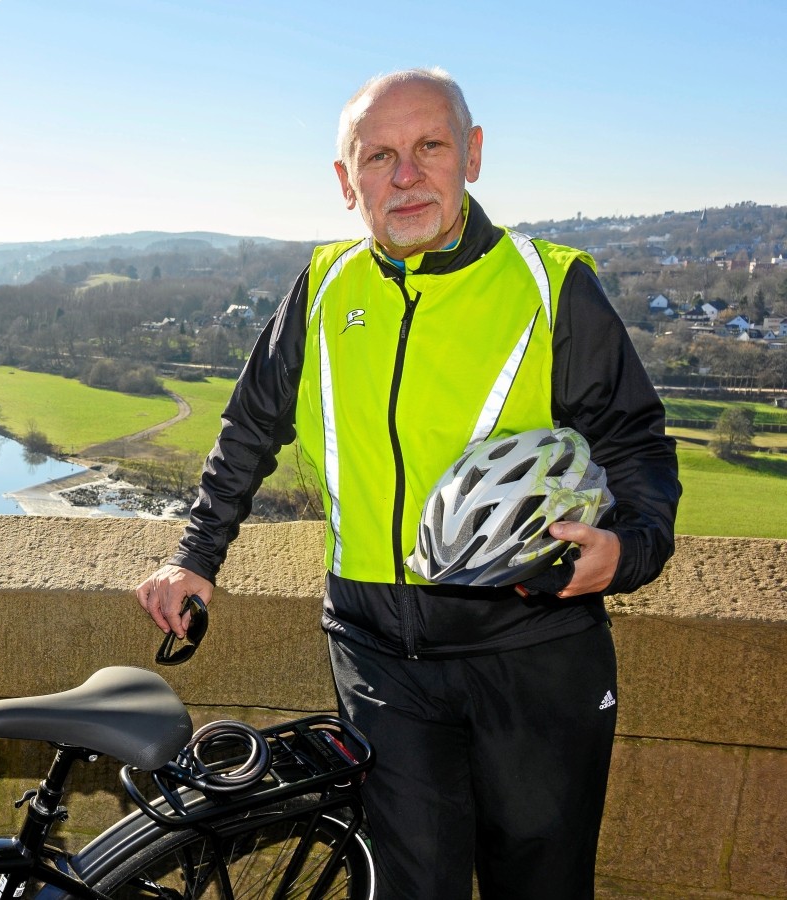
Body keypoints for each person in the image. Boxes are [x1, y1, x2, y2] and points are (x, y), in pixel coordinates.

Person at [135, 68, 680, 900]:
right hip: (378, 654)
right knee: (405, 886)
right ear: (345, 181)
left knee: (539, 882)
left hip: (532, 650)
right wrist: (194, 556)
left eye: (429, 146)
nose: (406, 173)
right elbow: (249, 430)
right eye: (378, 155)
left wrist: (632, 550)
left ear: (473, 153)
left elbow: (635, 441)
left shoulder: (550, 283)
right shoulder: (322, 288)